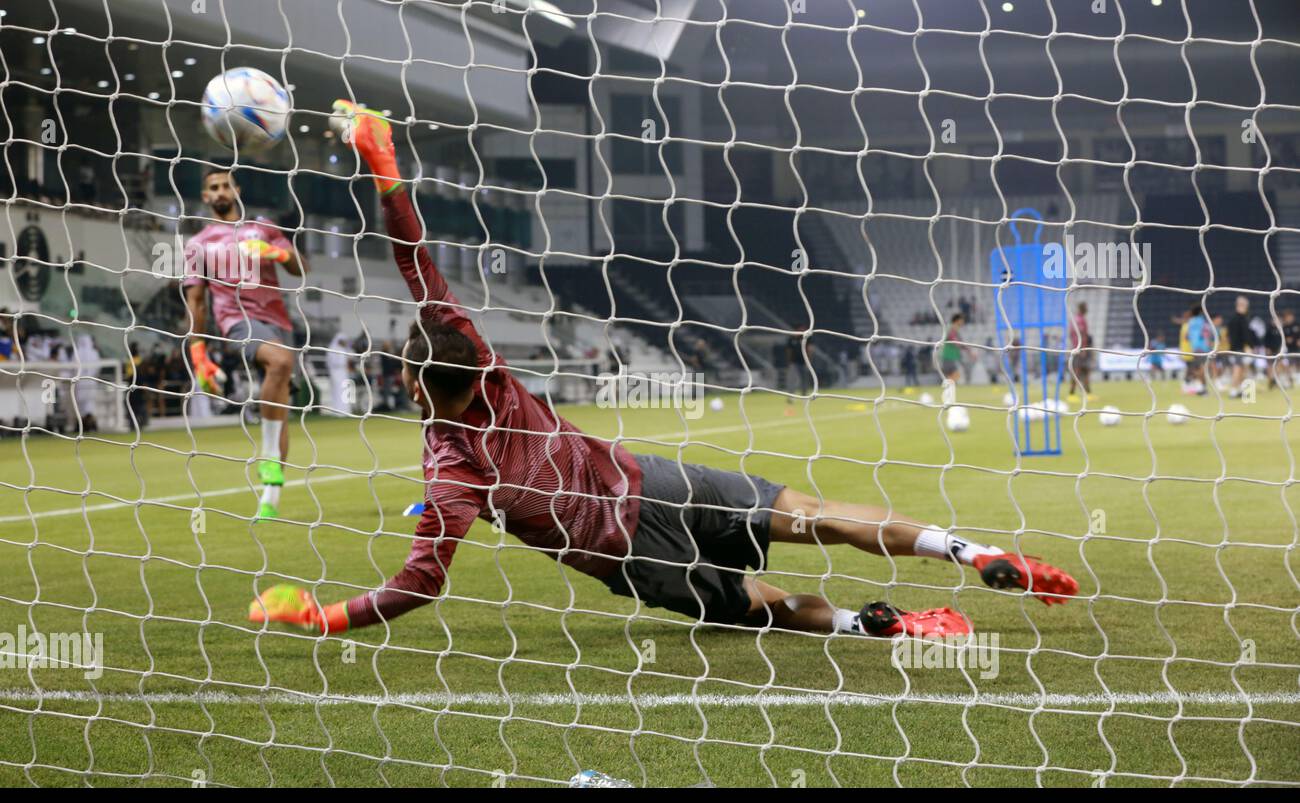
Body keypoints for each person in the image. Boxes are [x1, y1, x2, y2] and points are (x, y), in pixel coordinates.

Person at [248, 101, 1077, 640]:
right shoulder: (487, 361)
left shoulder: (451, 470)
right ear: (473, 359)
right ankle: (970, 551)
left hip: (628, 553)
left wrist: (327, 616)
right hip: (650, 477)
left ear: (413, 386)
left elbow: (418, 585)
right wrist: (382, 160)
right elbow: (415, 257)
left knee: (759, 607)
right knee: (817, 515)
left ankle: (885, 627)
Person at [182, 168, 307, 519]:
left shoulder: (263, 228)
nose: (220, 191)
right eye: (213, 188)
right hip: (236, 321)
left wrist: (276, 253)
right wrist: (198, 354)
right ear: (206, 197)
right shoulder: (198, 244)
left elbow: (301, 268)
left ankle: (270, 500)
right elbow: (196, 303)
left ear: (237, 189)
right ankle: (267, 459)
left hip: (278, 322)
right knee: (280, 363)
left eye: (225, 185)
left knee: (280, 405)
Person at [1224, 295, 1253, 398]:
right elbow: (1245, 335)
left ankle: (1240, 390)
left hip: (1234, 348)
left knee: (1240, 369)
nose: (1247, 307)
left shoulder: (1232, 319)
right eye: (1245, 305)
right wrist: (1248, 346)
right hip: (1239, 348)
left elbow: (1227, 336)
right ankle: (1233, 390)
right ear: (1241, 305)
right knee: (1237, 369)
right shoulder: (1241, 319)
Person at [1066, 302, 1094, 402]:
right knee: (1078, 371)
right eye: (1086, 307)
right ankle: (1072, 394)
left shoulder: (1077, 319)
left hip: (1079, 348)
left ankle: (1088, 393)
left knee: (1084, 371)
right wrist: (1081, 348)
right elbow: (1080, 335)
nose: (1087, 309)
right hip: (1080, 349)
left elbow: (1072, 334)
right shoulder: (1079, 320)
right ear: (1083, 308)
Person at [326, 328, 354, 415]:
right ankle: (338, 411)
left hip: (343, 372)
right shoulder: (332, 349)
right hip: (336, 372)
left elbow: (351, 356)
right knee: (338, 390)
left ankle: (346, 410)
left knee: (346, 390)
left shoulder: (343, 349)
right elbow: (332, 362)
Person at [938, 312, 965, 383]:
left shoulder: (955, 330)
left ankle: (947, 386)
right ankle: (947, 386)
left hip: (951, 356)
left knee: (953, 375)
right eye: (962, 320)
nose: (963, 322)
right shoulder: (951, 329)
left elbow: (959, 343)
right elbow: (952, 337)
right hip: (948, 356)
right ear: (957, 320)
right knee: (955, 375)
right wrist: (957, 343)